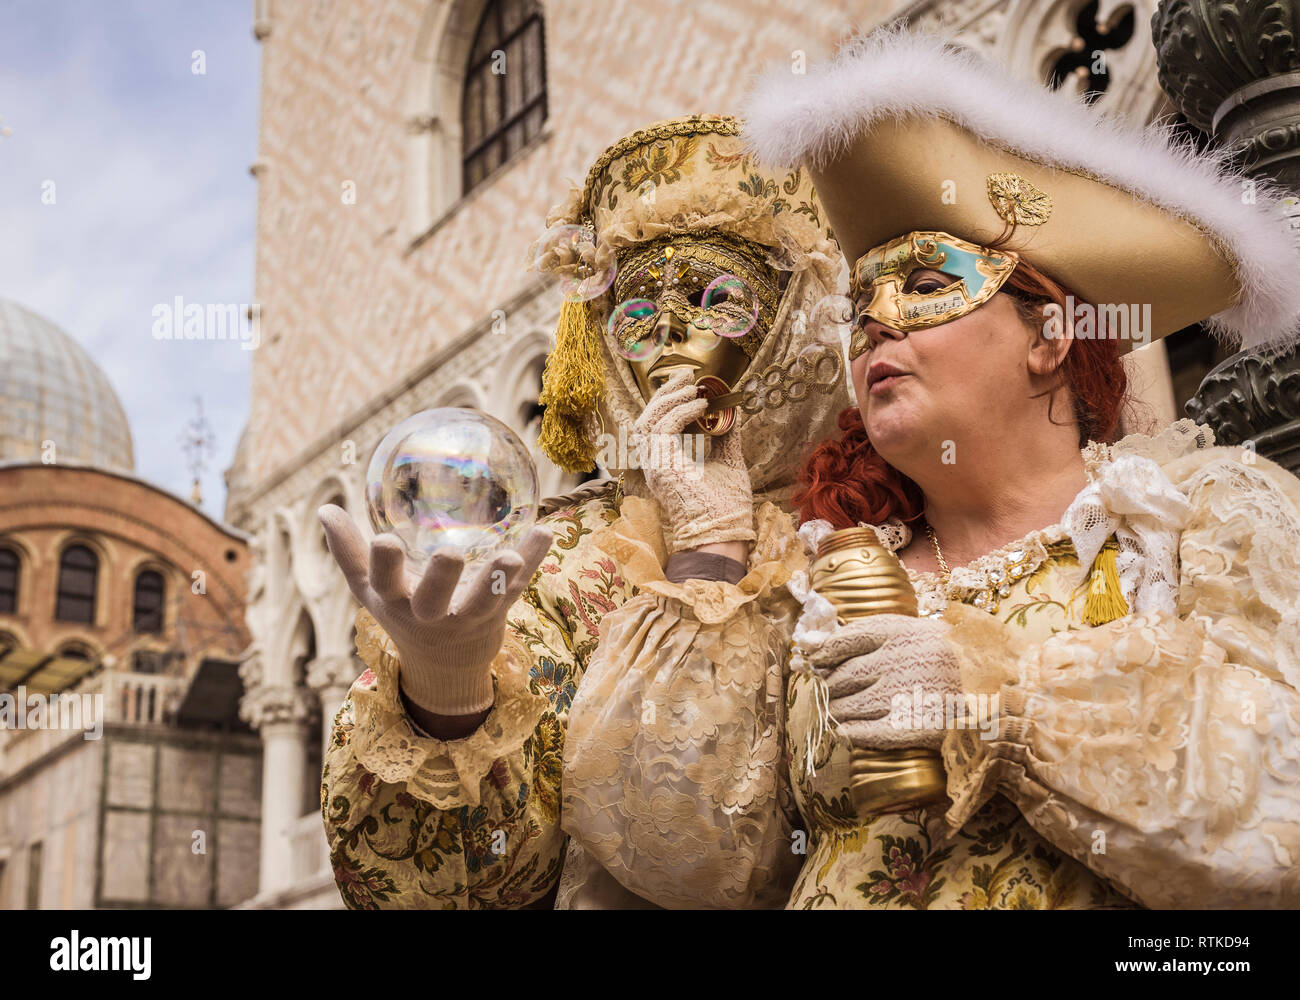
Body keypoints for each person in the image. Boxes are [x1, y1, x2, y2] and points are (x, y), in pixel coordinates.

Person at [728, 27, 1300, 908]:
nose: (876, 324)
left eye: (923, 287)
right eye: (861, 304)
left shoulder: (1198, 519)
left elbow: (1278, 813)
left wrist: (991, 697)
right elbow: (704, 862)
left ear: (1051, 336)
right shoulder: (823, 582)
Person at [316, 114, 851, 908]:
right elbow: (441, 892)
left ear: (798, 318)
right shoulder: (559, 555)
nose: (672, 330)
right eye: (635, 313)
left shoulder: (901, 519)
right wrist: (448, 695)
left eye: (719, 298)